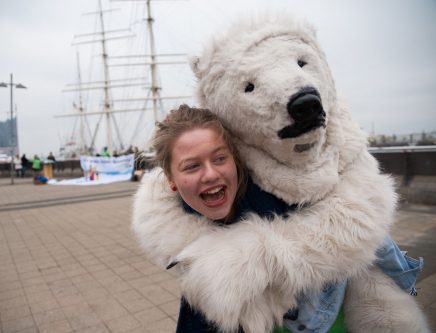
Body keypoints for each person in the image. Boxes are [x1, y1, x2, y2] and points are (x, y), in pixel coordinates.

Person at [146, 104, 422, 333]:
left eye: (219, 158)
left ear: (236, 160)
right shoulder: (179, 236)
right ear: (171, 181)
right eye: (192, 166)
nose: (210, 174)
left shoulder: (298, 204)